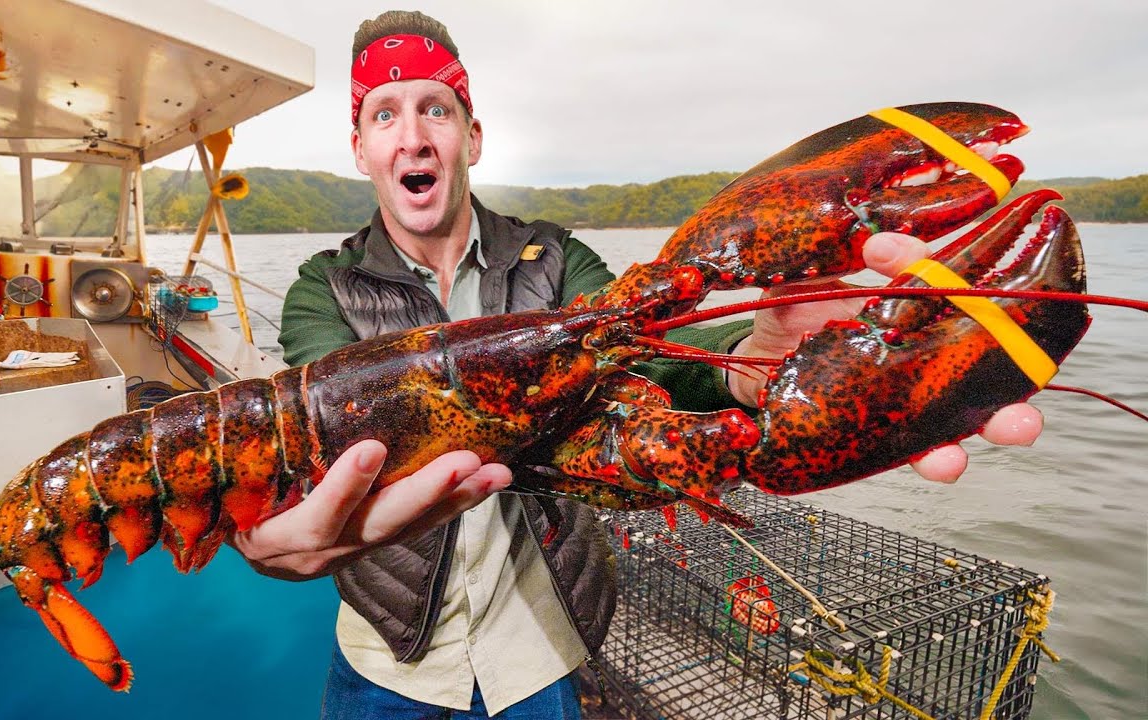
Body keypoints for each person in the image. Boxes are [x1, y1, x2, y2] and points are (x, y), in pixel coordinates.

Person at [232, 10, 1045, 719]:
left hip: (540, 650)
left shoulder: (560, 261)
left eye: (436, 109)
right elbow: (331, 427)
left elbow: (658, 365)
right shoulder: (321, 289)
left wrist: (744, 361)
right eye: (385, 114)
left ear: (469, 137)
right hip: (387, 658)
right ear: (362, 149)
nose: (413, 134)